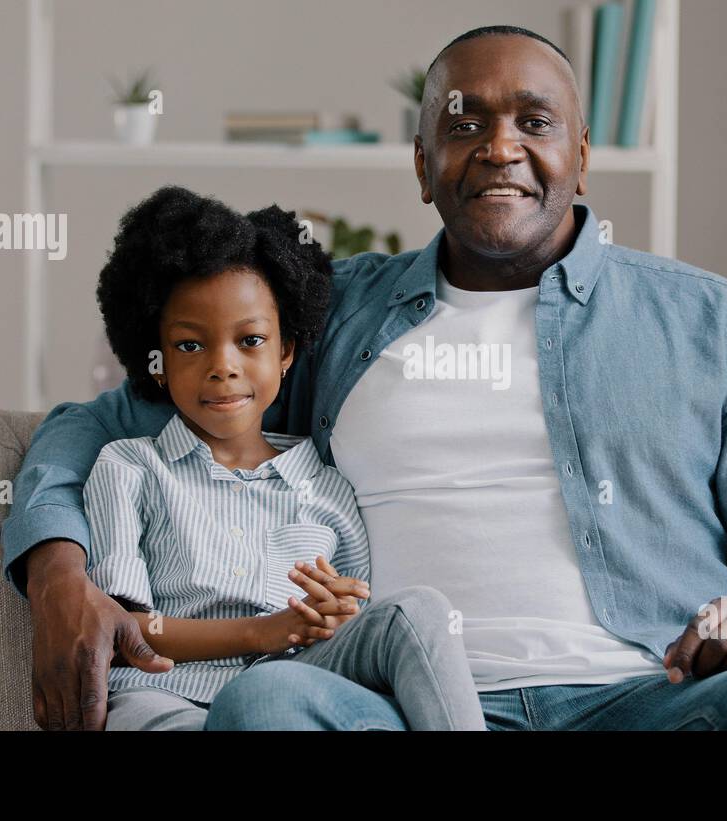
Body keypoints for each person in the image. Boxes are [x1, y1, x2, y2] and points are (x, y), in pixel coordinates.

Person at [4, 25, 727, 731]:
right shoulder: (333, 315)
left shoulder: (713, 325)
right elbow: (104, 418)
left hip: (649, 694)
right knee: (267, 701)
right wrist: (56, 572)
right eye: (464, 125)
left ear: (580, 153)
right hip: (397, 706)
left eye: (534, 122)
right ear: (423, 165)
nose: (500, 147)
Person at [82, 186, 485, 731]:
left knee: (419, 612)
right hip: (166, 694)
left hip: (295, 686)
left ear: (286, 351)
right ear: (154, 361)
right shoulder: (127, 469)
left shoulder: (328, 490)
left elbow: (346, 625)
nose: (223, 366)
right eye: (190, 345)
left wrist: (335, 614)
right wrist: (263, 631)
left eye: (250, 340)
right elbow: (129, 630)